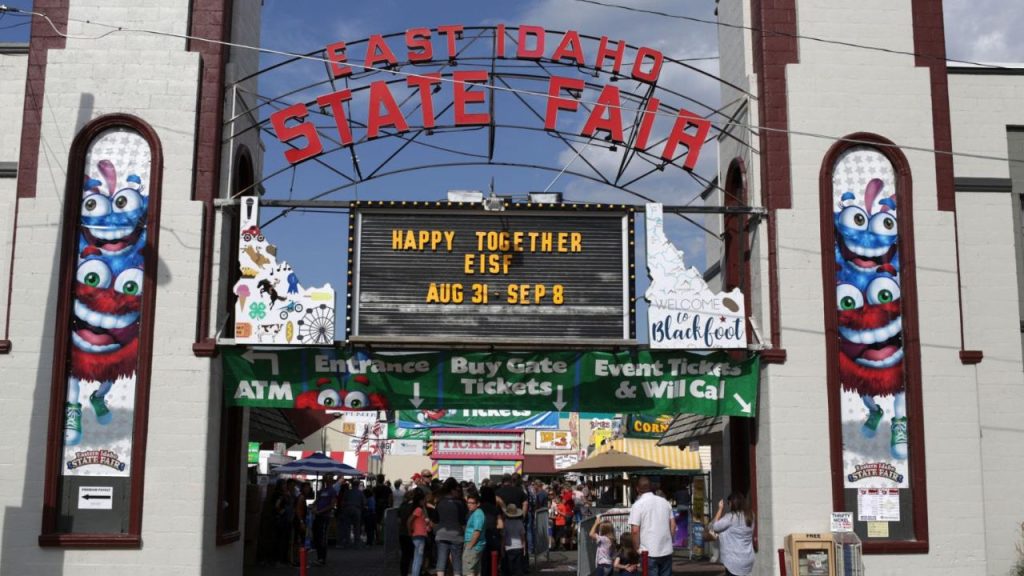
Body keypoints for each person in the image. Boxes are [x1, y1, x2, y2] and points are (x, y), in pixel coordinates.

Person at [628, 477, 675, 576]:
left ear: (637, 489)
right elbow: (673, 525)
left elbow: (635, 530)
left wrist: (637, 548)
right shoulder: (665, 502)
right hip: (666, 549)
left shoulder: (637, 505)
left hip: (648, 552)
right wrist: (669, 540)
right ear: (651, 487)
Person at [710, 493, 755, 576]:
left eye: (728, 503)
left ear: (732, 504)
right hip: (747, 558)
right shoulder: (750, 515)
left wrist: (720, 509)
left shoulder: (730, 517)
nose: (728, 505)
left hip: (734, 561)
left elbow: (714, 527)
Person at [435, 478, 467, 576]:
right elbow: (463, 520)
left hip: (441, 534)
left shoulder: (439, 502)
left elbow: (436, 519)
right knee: (457, 563)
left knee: (441, 562)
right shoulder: (459, 503)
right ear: (453, 490)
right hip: (457, 535)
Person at [312, 475, 338, 566]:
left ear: (331, 481)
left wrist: (320, 511)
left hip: (325, 517)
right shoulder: (321, 491)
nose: (326, 481)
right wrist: (313, 507)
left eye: (328, 479)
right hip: (318, 516)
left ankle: (322, 558)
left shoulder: (332, 491)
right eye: (325, 479)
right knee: (317, 537)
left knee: (322, 538)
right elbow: (317, 501)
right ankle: (319, 557)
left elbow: (332, 505)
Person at [408, 488, 433, 576]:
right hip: (419, 535)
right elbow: (410, 520)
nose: (425, 501)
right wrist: (410, 531)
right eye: (424, 500)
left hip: (419, 535)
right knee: (418, 558)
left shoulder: (418, 509)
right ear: (420, 500)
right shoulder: (419, 510)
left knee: (416, 558)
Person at [463, 494, 485, 576]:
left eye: (472, 503)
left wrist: (469, 546)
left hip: (474, 545)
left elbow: (477, 531)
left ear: (478, 504)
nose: (469, 505)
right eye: (468, 503)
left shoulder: (478, 514)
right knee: (475, 571)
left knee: (468, 570)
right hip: (475, 545)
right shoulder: (474, 513)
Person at [503, 503, 527, 576]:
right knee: (518, 569)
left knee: (510, 569)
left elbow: (503, 537)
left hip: (508, 548)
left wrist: (502, 548)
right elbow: (522, 537)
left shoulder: (506, 523)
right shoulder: (519, 522)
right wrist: (524, 548)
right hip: (518, 547)